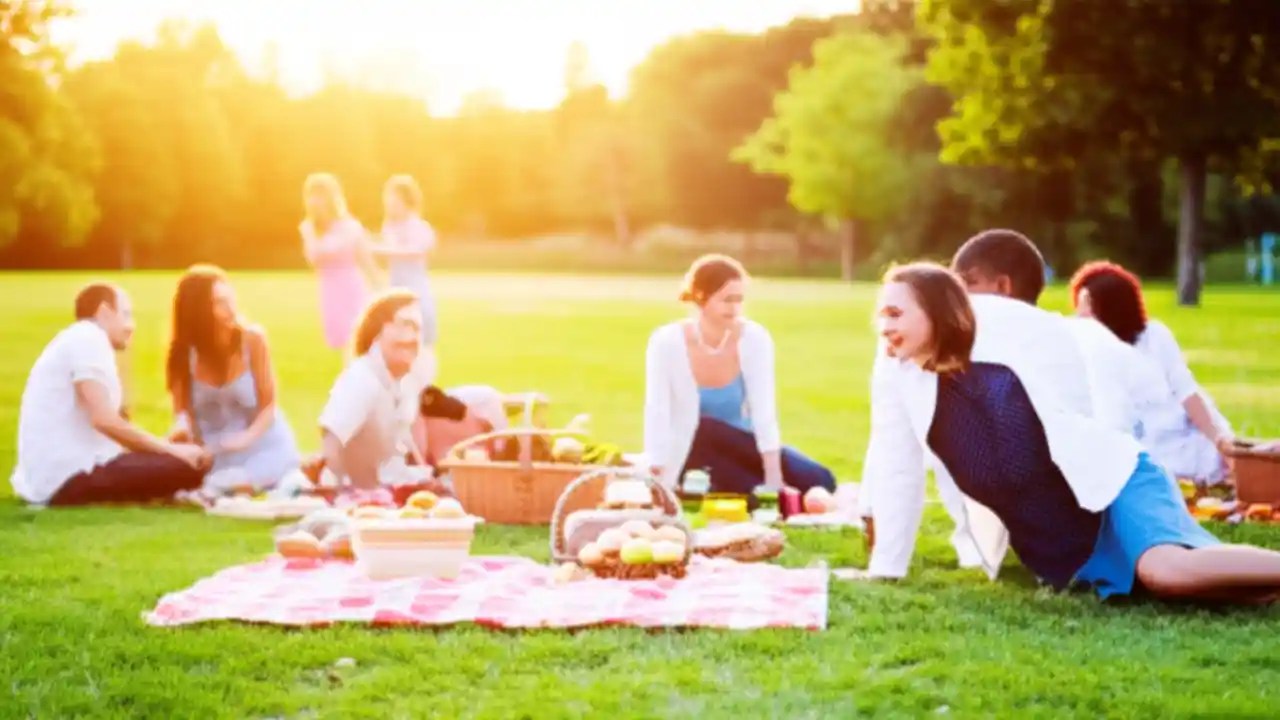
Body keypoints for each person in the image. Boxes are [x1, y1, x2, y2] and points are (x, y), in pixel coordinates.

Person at [861, 262, 1280, 603]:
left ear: (936, 312)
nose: (883, 326)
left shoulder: (1001, 344)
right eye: (880, 314)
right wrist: (886, 569)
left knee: (1167, 571)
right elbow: (899, 469)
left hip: (1112, 489)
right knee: (1217, 590)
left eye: (895, 313)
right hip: (1065, 548)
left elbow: (1082, 364)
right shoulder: (898, 377)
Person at [643, 254, 836, 497]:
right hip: (691, 451)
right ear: (702, 297)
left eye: (739, 300)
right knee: (707, 432)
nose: (735, 309)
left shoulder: (753, 338)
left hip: (742, 444)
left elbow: (764, 411)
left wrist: (773, 475)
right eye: (727, 300)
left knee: (819, 480)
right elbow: (657, 410)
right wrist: (658, 471)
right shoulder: (667, 342)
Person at [11, 284, 209, 506]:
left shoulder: (81, 339)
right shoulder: (89, 338)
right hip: (68, 477)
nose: (131, 326)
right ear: (105, 312)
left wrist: (163, 447)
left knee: (182, 458)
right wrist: (172, 451)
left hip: (59, 475)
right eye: (126, 314)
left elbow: (113, 429)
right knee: (197, 463)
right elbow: (105, 421)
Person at [1069, 260, 1234, 484]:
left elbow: (1186, 391)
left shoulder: (1154, 336)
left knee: (1216, 452)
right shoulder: (1084, 344)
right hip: (1133, 446)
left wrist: (1219, 440)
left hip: (1178, 437)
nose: (1080, 315)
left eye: (1087, 306)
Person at [165, 265, 300, 493]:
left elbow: (268, 406)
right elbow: (184, 415)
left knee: (235, 481)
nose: (230, 310)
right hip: (212, 451)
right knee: (193, 480)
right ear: (197, 311)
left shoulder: (253, 340)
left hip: (260, 443)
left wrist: (244, 440)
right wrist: (192, 443)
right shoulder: (183, 354)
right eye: (218, 303)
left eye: (229, 299)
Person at [318, 289, 434, 489]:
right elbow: (331, 442)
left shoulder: (407, 381)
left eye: (417, 329)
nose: (412, 337)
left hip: (396, 483)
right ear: (376, 333)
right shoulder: (361, 379)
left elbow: (403, 438)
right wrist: (344, 495)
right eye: (404, 325)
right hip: (357, 490)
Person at [299, 172, 380, 350]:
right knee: (342, 339)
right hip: (328, 289)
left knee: (358, 338)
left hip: (352, 287)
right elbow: (313, 259)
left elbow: (366, 261)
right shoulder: (309, 228)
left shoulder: (350, 227)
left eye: (320, 194)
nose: (315, 200)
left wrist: (379, 289)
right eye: (311, 194)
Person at [374, 174, 438, 345]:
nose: (390, 206)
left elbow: (415, 251)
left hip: (416, 289)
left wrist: (379, 249)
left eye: (395, 202)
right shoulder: (389, 227)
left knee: (421, 336)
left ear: (407, 202)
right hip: (395, 288)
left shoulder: (420, 227)